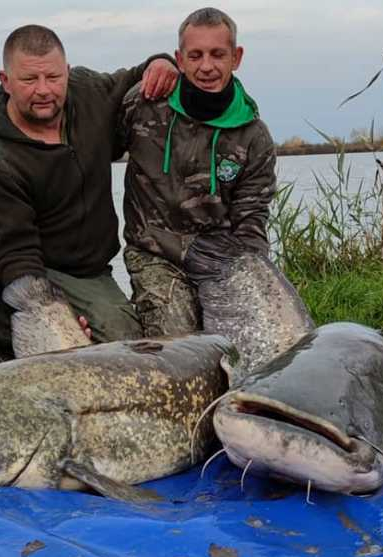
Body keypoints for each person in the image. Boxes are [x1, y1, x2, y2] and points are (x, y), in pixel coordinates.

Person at [0, 25, 179, 363]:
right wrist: (58, 319)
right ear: (6, 80)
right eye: (29, 80)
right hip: (19, 264)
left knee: (125, 350)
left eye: (54, 77)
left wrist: (162, 62)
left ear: (68, 73)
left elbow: (138, 75)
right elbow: (17, 251)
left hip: (85, 273)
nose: (44, 90)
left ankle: (42, 338)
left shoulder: (88, 91)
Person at [120, 8, 277, 337]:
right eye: (195, 55)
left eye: (217, 54)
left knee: (264, 333)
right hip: (155, 254)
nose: (206, 67)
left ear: (236, 57)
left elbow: (251, 222)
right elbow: (91, 138)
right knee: (183, 341)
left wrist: (250, 281)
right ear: (179, 59)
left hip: (220, 258)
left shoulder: (254, 136)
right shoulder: (144, 102)